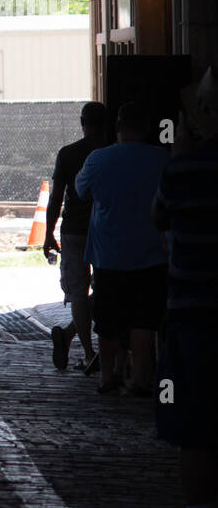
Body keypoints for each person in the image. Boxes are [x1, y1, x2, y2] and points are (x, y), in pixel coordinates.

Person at [152, 67, 218, 508]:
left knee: (194, 433)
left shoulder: (182, 173)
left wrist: (179, 154)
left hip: (193, 320)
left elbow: (162, 223)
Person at [75, 102, 170, 395]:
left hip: (109, 254)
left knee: (108, 321)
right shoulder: (162, 158)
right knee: (145, 320)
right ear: (147, 129)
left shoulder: (97, 159)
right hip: (151, 254)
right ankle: (140, 380)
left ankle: (107, 377)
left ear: (117, 127)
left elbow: (81, 191)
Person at [44, 101, 108, 372]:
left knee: (79, 294)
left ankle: (87, 349)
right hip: (107, 230)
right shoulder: (111, 153)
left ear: (82, 123)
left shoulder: (68, 154)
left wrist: (48, 233)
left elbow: (57, 197)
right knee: (110, 288)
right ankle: (85, 346)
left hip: (74, 231)